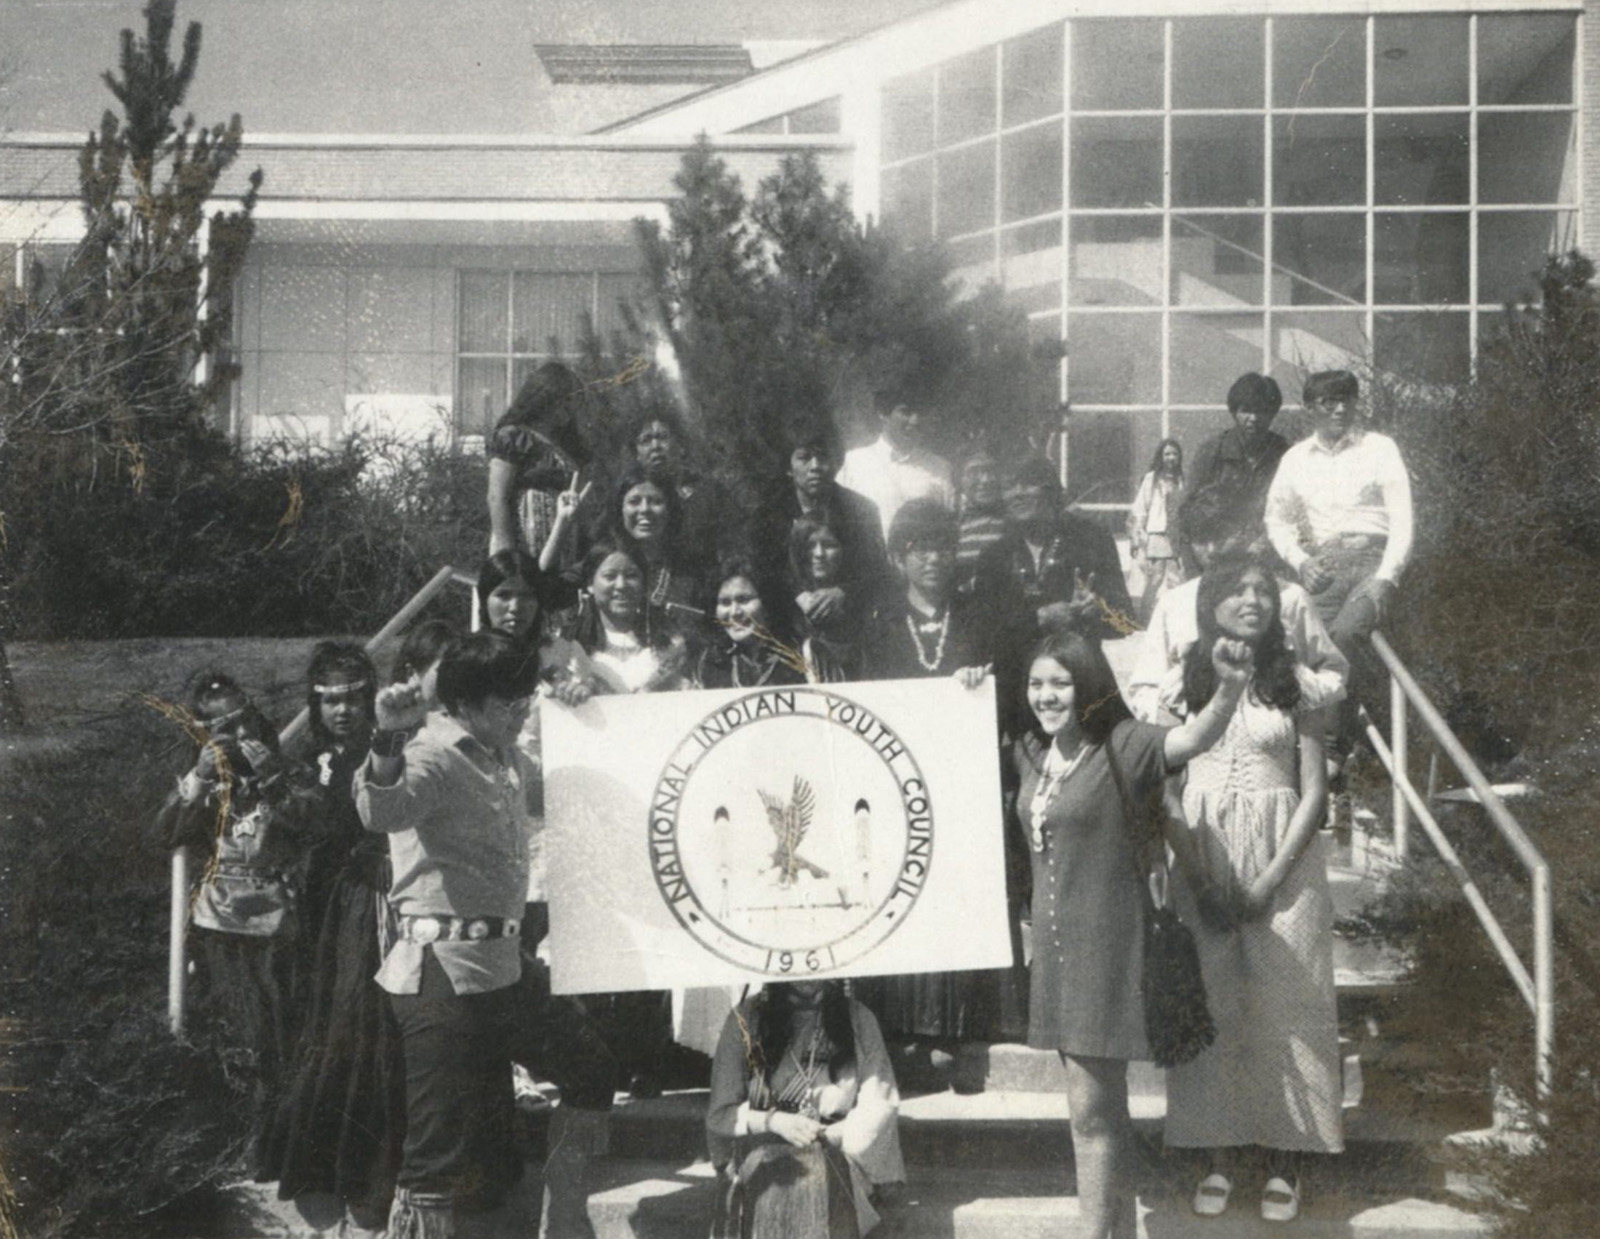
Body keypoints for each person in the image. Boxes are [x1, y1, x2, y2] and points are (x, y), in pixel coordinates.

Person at [356, 631, 618, 1239]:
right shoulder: (431, 753)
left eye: (525, 701)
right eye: (509, 705)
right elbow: (383, 811)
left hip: (504, 967)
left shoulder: (503, 757)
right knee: (436, 1154)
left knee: (590, 1068)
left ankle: (566, 1227)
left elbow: (567, 795)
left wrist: (593, 707)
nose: (521, 715)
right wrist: (388, 740)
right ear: (465, 704)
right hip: (442, 976)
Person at [1013, 627, 1253, 1239]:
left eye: (1061, 683)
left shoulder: (1126, 743)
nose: (1046, 696)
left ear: (1089, 685)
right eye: (1036, 683)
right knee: (1098, 1114)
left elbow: (1195, 736)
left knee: (1090, 1115)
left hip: (1107, 955)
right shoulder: (1029, 753)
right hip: (1057, 958)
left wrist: (1228, 688)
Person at [1162, 556, 1341, 1223]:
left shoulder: (1298, 680)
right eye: (1237, 589)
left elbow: (1315, 787)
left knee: (1285, 1001)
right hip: (1202, 853)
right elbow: (1168, 790)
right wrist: (1202, 877)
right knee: (1212, 1001)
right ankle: (1215, 1153)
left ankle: (1284, 1156)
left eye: (1264, 591)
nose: (1252, 599)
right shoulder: (1183, 679)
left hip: (1284, 858)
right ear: (1210, 602)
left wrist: (1270, 877)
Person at [266, 638, 443, 1235]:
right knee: (336, 1032)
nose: (341, 710)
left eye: (352, 698)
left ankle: (377, 1181)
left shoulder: (394, 748)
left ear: (371, 698)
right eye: (328, 701)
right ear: (314, 707)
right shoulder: (305, 765)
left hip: (386, 902)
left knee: (376, 1030)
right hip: (333, 912)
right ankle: (331, 1174)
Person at [156, 673, 322, 1176]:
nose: (234, 739)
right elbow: (164, 832)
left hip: (276, 917)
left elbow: (315, 821)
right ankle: (241, 1149)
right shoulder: (205, 785)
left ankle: (281, 1150)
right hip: (219, 921)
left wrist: (271, 772)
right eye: (219, 731)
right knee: (239, 1035)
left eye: (242, 724)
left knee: (281, 1034)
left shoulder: (288, 773)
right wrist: (203, 775)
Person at [858, 499, 1004, 1061]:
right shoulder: (879, 621)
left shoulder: (978, 617)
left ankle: (954, 1027)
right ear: (899, 557)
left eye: (942, 546)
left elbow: (1005, 691)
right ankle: (896, 1029)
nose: (933, 559)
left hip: (963, 779)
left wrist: (976, 682)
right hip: (899, 781)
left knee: (957, 893)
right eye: (919, 549)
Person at [1264, 370, 1414, 770]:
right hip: (1324, 565)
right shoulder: (1295, 459)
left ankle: (1332, 752)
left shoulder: (1379, 448)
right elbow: (1276, 520)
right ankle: (1292, 750)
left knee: (1346, 635)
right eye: (1329, 402)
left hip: (1372, 559)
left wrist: (1386, 577)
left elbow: (1403, 520)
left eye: (1347, 399)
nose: (1340, 408)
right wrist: (1301, 561)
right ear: (1311, 408)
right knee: (1294, 645)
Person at [1128, 487, 1347, 725]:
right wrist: (1167, 720)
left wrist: (1298, 700)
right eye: (1201, 539)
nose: (1211, 549)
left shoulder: (1290, 598)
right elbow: (1143, 686)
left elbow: (1333, 670)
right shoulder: (1176, 602)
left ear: (1243, 533)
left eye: (1221, 535)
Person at [707, 980, 905, 1239]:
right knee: (774, 1195)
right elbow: (722, 1113)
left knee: (823, 1194)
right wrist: (774, 1122)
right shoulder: (745, 1019)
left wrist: (828, 1135)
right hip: (763, 1148)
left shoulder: (858, 1018)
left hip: (838, 1148)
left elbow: (879, 1103)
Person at [972, 456, 1135, 739]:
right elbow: (983, 634)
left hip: (1083, 693)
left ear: (1051, 490)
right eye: (1010, 486)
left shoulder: (1091, 539)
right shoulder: (993, 557)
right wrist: (1039, 619)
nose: (1017, 493)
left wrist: (1096, 610)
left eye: (1028, 484)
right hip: (1018, 701)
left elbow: (1126, 622)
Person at [754, 417, 888, 625]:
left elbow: (876, 568)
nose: (815, 466)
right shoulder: (769, 513)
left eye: (823, 457)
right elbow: (761, 568)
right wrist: (798, 594)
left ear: (836, 463)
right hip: (786, 621)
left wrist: (842, 591)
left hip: (848, 621)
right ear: (788, 466)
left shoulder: (861, 511)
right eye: (804, 458)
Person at [487, 360, 592, 558]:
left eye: (575, 401)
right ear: (546, 397)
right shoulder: (514, 437)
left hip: (562, 554)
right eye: (565, 399)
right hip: (521, 552)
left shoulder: (565, 446)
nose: (571, 407)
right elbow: (497, 496)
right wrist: (505, 552)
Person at [693, 558, 842, 689]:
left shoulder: (808, 654)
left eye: (744, 600)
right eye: (725, 603)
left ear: (767, 604)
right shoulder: (709, 664)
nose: (734, 612)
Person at [563, 542, 690, 696]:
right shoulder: (568, 645)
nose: (621, 585)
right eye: (610, 576)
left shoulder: (671, 642)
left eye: (631, 576)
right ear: (590, 584)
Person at [834, 390, 955, 541]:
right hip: (871, 561)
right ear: (883, 413)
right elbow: (836, 518)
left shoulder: (939, 467)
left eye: (920, 412)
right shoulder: (854, 462)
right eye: (906, 412)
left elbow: (949, 523)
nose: (915, 420)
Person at [1188, 373, 1290, 547]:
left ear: (1272, 413)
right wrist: (1192, 568)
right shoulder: (1213, 451)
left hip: (1269, 550)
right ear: (1235, 412)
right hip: (1218, 552)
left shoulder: (1284, 452)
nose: (1254, 418)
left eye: (1261, 411)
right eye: (1246, 410)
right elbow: (1187, 510)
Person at [787, 518, 868, 678]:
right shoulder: (788, 606)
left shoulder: (861, 606)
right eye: (810, 546)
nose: (819, 554)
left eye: (829, 545)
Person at [1127, 439, 1187, 623]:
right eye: (1167, 454)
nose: (1171, 458)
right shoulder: (1151, 478)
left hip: (1176, 535)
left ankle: (1174, 619)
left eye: (1174, 454)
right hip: (1157, 535)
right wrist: (1138, 536)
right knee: (1155, 578)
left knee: (1176, 580)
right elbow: (1140, 509)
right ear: (1161, 456)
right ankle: (1144, 618)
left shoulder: (1182, 479)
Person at [954, 444, 1006, 594]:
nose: (985, 480)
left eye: (991, 471)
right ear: (959, 480)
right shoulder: (953, 528)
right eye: (974, 473)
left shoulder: (1012, 522)